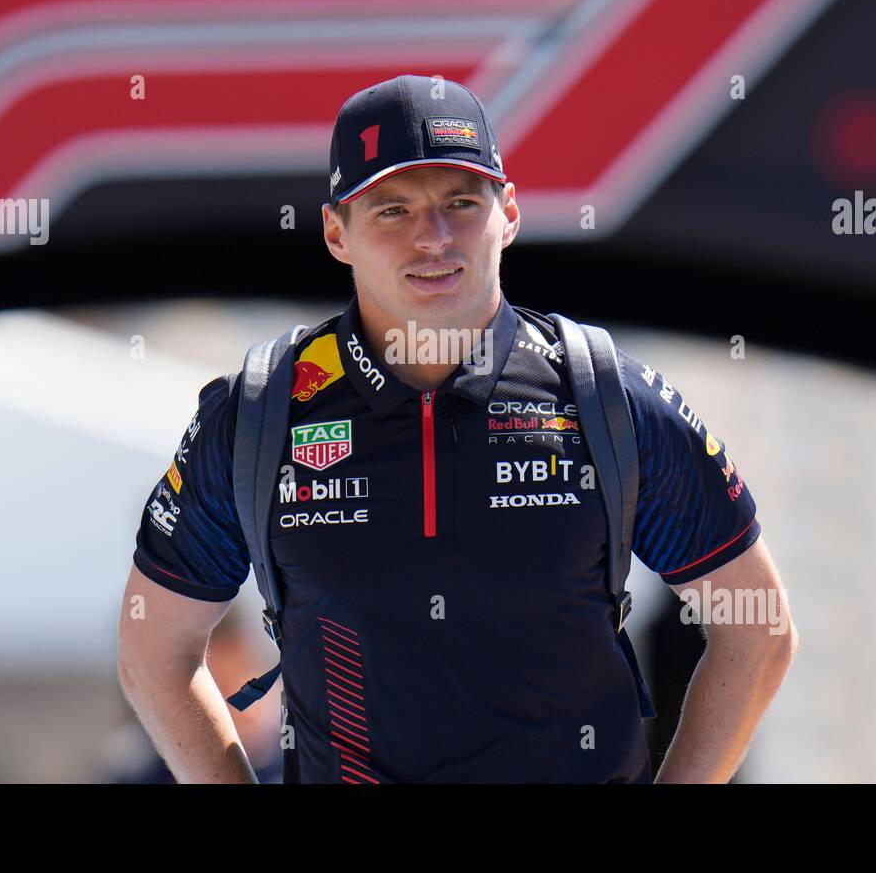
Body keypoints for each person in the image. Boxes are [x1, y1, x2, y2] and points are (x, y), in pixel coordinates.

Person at [117, 74, 797, 784]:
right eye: (391, 209)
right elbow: (151, 651)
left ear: (508, 213)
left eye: (460, 203)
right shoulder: (261, 411)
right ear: (334, 232)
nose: (432, 238)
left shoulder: (606, 394)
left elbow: (757, 628)